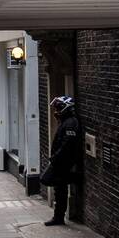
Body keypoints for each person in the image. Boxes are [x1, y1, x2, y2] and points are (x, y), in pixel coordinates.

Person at [43, 96, 84, 225]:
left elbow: (67, 144)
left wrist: (55, 158)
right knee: (58, 188)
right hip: (60, 161)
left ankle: (74, 177)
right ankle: (58, 217)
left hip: (63, 162)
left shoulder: (71, 123)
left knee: (48, 179)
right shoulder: (65, 121)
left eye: (59, 107)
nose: (56, 110)